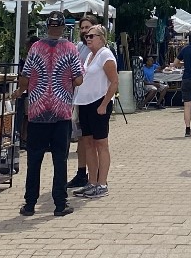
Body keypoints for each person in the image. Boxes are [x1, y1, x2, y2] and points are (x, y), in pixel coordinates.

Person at [19, 14, 83, 217]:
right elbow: (79, 79)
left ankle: (29, 204)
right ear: (64, 28)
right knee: (60, 159)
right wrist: (65, 86)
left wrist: (24, 92)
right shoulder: (71, 49)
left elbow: (25, 76)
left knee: (34, 159)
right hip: (61, 111)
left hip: (37, 111)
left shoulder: (35, 48)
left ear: (47, 27)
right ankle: (59, 203)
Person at [74, 25, 118, 198]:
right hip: (85, 103)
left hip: (99, 103)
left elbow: (114, 82)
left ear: (101, 37)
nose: (88, 38)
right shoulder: (90, 56)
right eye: (86, 36)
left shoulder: (105, 55)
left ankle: (102, 183)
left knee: (101, 143)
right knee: (88, 143)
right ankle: (92, 181)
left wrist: (104, 104)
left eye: (92, 35)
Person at [67, 14, 95, 192]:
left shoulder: (99, 49)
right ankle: (81, 172)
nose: (84, 31)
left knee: (91, 140)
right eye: (82, 28)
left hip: (92, 100)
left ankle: (95, 176)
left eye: (87, 28)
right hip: (78, 99)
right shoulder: (78, 48)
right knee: (81, 139)